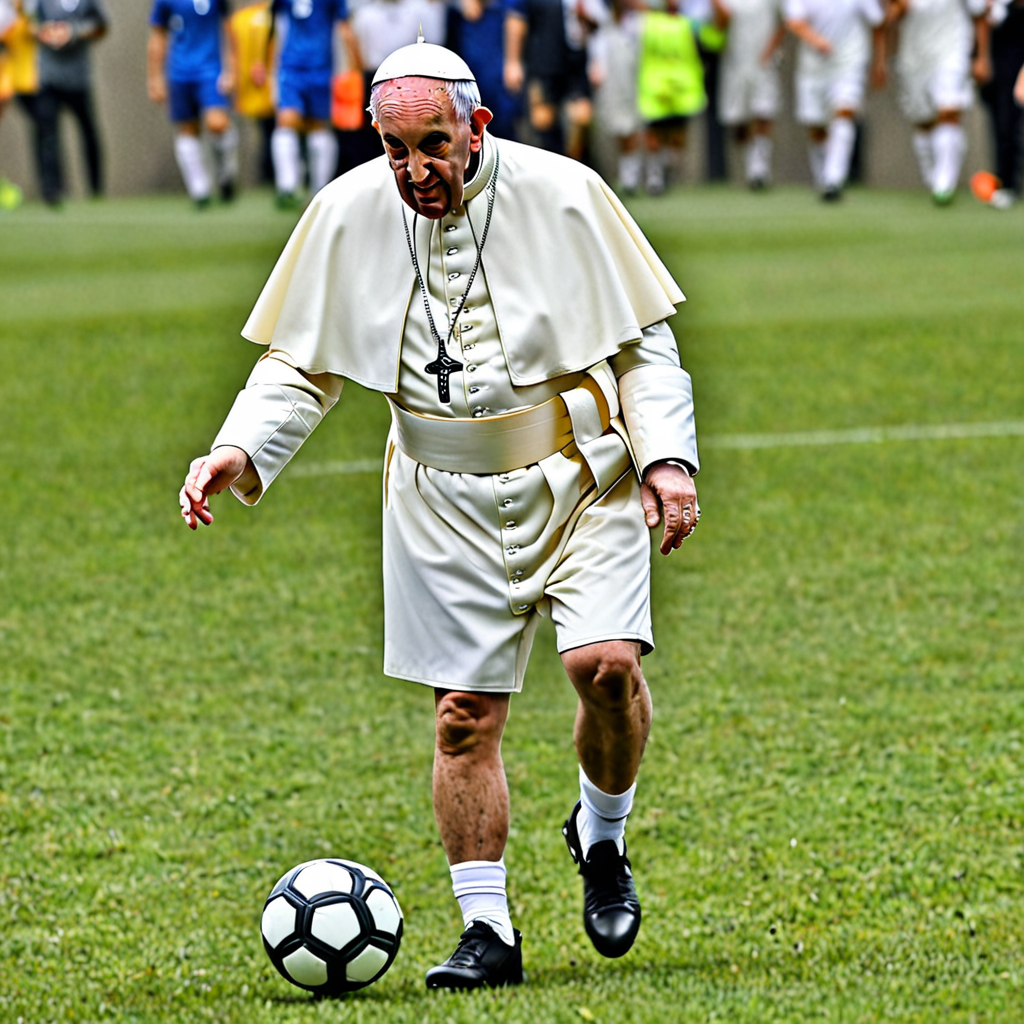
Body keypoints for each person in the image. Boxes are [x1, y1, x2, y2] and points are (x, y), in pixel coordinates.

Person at [179, 38, 701, 991]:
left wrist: (668, 460)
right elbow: (302, 363)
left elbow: (643, 349)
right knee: (463, 719)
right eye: (394, 149)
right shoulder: (348, 211)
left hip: (581, 474)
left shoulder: (566, 194)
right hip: (437, 498)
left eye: (433, 144)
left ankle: (602, 834)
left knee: (607, 669)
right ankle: (487, 932)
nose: (415, 171)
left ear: (477, 127)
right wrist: (238, 449)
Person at [888, 0, 990, 206]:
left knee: (949, 111)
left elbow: (980, 14)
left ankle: (944, 184)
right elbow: (888, 17)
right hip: (914, 57)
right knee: (923, 121)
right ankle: (933, 177)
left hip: (951, 52)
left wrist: (982, 57)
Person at [783, 0, 887, 201]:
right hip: (813, 68)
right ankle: (824, 178)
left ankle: (834, 179)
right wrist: (816, 40)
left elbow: (877, 22)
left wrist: (880, 62)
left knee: (844, 113)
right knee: (816, 126)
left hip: (849, 61)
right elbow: (794, 21)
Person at [262, 0, 362, 208]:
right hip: (290, 68)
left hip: (321, 68)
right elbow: (273, 25)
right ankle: (287, 187)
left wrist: (354, 66)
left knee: (317, 125)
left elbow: (344, 28)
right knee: (287, 120)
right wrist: (264, 63)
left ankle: (320, 188)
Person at [148, 0, 240, 208]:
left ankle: (225, 173)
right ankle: (200, 190)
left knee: (217, 124)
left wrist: (232, 70)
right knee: (187, 129)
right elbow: (157, 35)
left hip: (211, 69)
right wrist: (155, 77)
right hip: (179, 72)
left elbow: (229, 30)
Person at [635, 0, 727, 195]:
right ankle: (654, 176)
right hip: (655, 87)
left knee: (677, 133)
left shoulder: (691, 23)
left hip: (683, 88)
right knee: (654, 132)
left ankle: (667, 166)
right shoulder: (647, 21)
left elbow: (714, 38)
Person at [24, 0, 108, 207]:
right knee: (47, 134)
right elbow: (28, 24)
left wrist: (75, 32)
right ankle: (51, 190)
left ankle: (96, 189)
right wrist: (45, 32)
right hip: (48, 77)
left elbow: (101, 26)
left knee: (88, 132)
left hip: (78, 78)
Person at [504, 0, 607, 161]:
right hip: (544, 64)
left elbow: (599, 25)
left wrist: (598, 60)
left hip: (576, 65)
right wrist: (513, 61)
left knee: (581, 119)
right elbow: (517, 19)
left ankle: (572, 170)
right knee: (544, 126)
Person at [715, 0, 785, 190]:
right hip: (735, 65)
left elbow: (787, 19)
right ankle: (750, 166)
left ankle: (759, 170)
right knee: (739, 121)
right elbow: (719, 25)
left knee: (764, 112)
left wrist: (772, 48)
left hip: (764, 64)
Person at [588, 0, 643, 192]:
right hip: (609, 82)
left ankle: (630, 179)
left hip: (633, 80)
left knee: (631, 127)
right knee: (611, 127)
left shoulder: (638, 21)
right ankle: (613, 175)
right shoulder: (601, 21)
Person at [979, 0, 1024, 208]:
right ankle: (1003, 182)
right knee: (1001, 128)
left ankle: (1008, 185)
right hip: (996, 73)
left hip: (1016, 70)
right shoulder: (995, 8)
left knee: (1009, 127)